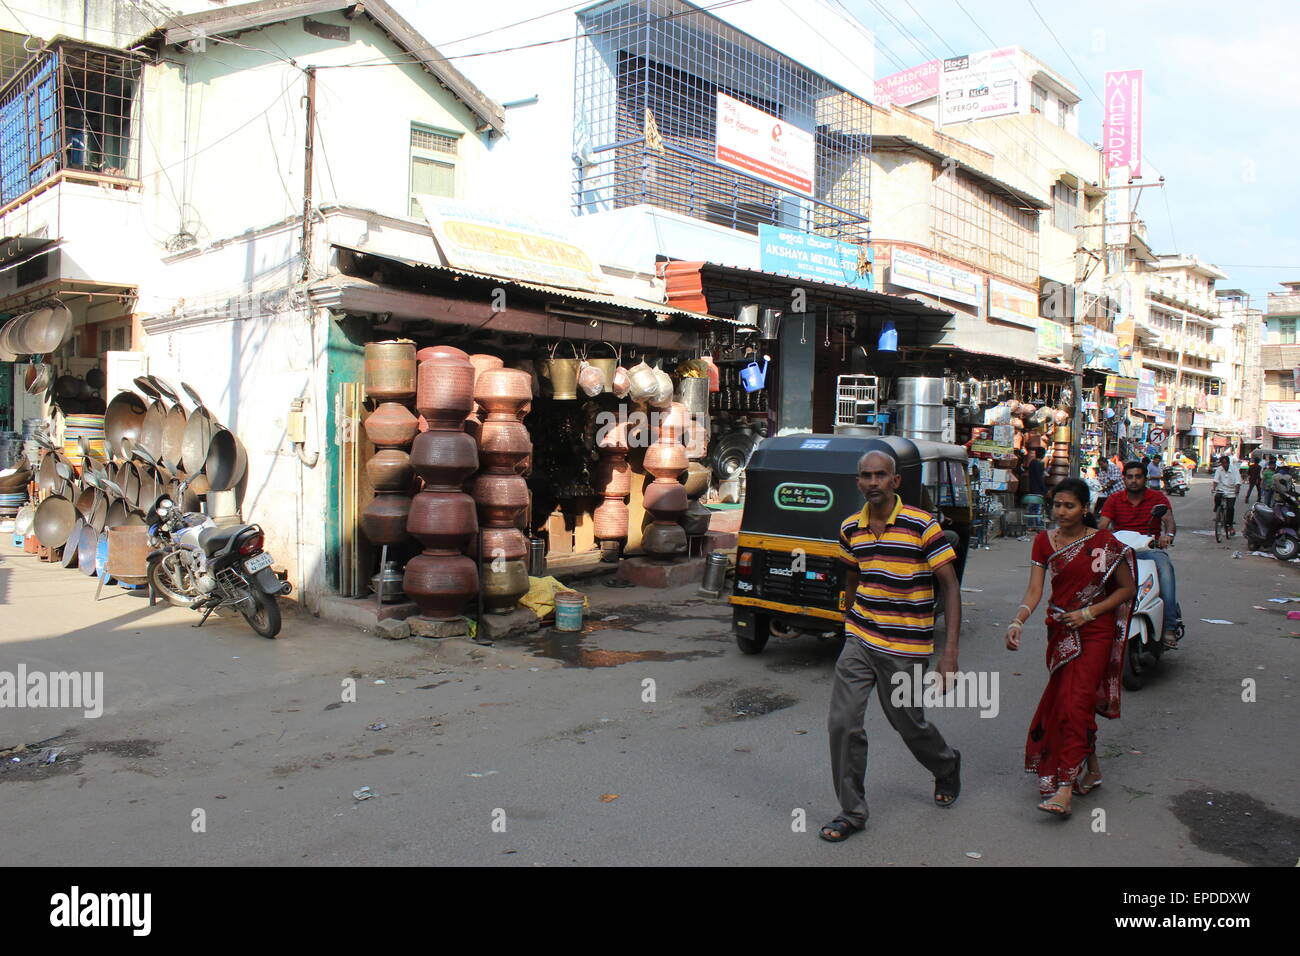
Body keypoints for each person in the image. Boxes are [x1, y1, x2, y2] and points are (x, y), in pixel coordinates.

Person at [821, 450, 962, 843]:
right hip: (862, 638)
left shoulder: (922, 526)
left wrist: (948, 654)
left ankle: (946, 763)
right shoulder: (851, 528)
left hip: (908, 646)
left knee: (908, 723)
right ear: (858, 482)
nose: (872, 482)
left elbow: (949, 587)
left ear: (895, 481)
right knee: (842, 723)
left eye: (880, 475)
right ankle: (852, 812)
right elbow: (852, 577)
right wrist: (850, 621)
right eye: (865, 476)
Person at [1006, 478, 1137, 819]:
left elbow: (1126, 588)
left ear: (1085, 509)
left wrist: (1089, 612)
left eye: (1070, 506)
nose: (1062, 512)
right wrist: (1018, 621)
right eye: (1058, 505)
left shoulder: (1104, 544)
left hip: (1094, 630)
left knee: (1076, 703)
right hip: (1061, 630)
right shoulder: (1043, 542)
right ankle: (1091, 768)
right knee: (1066, 701)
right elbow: (1035, 590)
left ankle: (1065, 786)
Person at [1099, 461, 1182, 647]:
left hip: (1149, 549)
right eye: (1129, 477)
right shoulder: (1114, 499)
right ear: (1124, 479)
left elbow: (1169, 521)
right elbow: (1103, 525)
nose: (1133, 481)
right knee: (1095, 575)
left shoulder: (1157, 498)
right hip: (1121, 551)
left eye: (1138, 477)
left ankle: (1169, 626)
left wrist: (1167, 537)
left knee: (1166, 572)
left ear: (1145, 479)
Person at [1211, 455, 1242, 536]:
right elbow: (1216, 480)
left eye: (1225, 463)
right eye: (1222, 463)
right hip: (1221, 489)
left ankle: (1230, 526)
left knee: (1230, 508)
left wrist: (1237, 490)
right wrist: (1213, 488)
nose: (1224, 465)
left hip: (1231, 491)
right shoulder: (1219, 469)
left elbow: (1238, 482)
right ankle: (1217, 510)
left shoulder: (1234, 469)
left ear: (1228, 463)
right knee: (1217, 496)